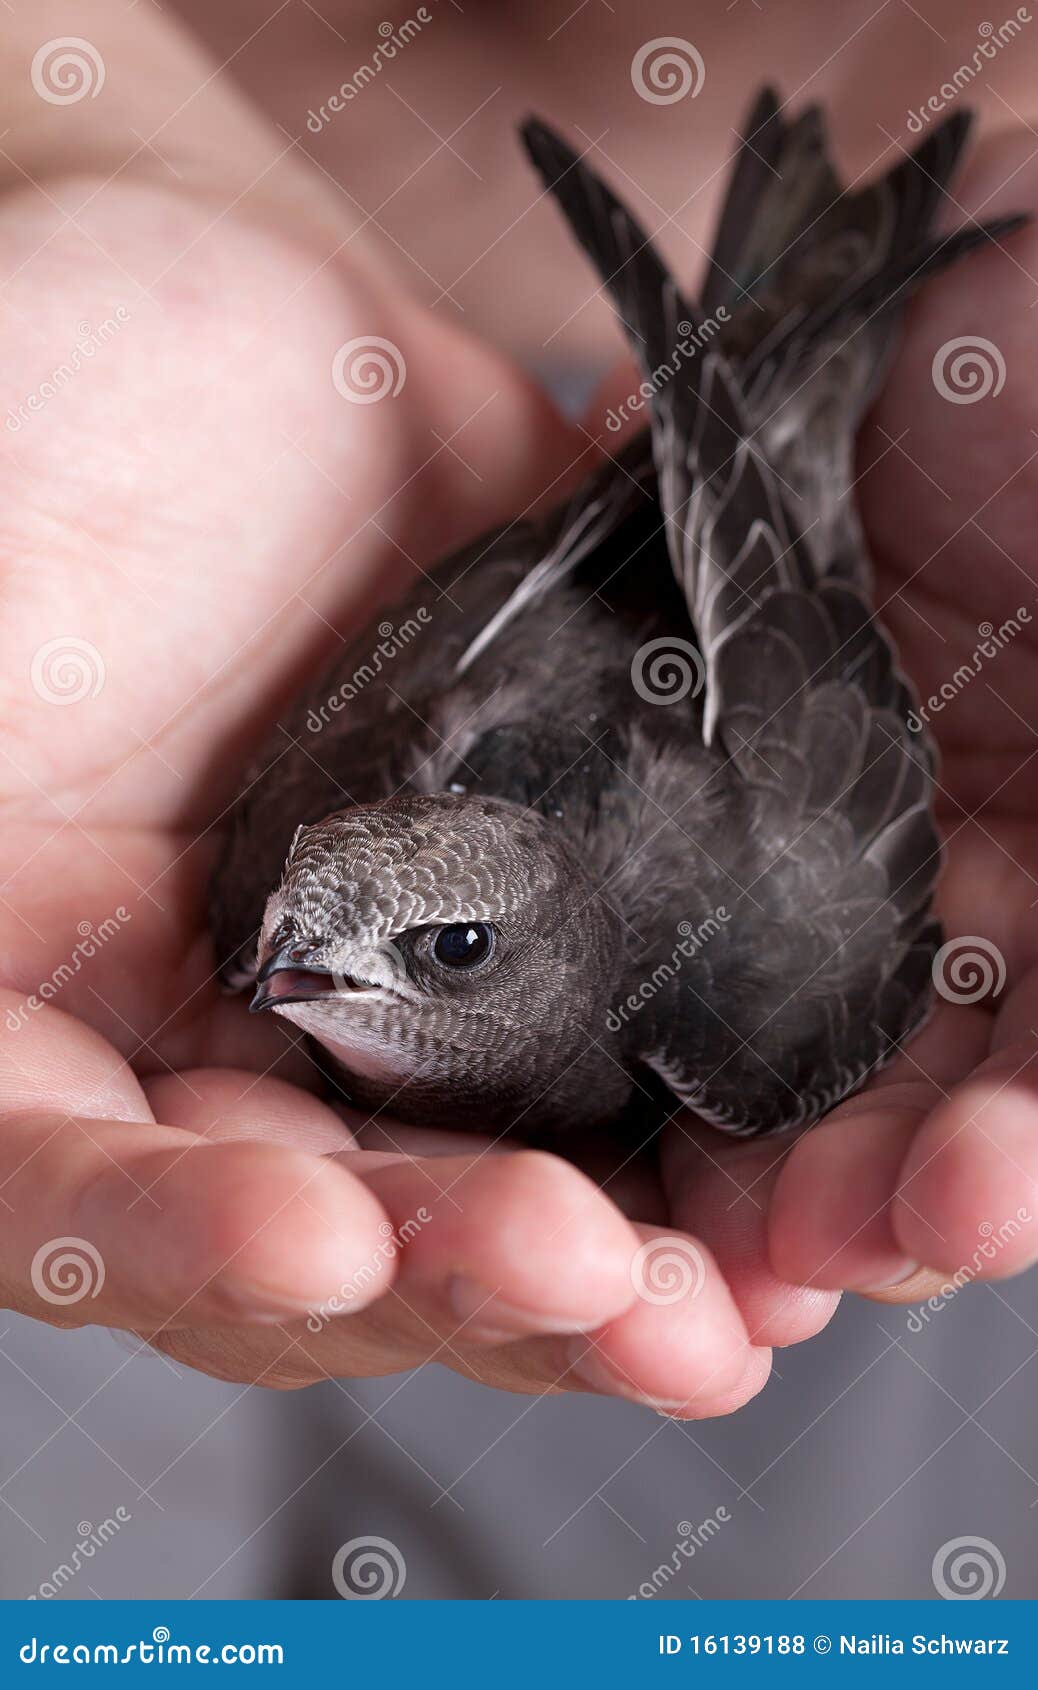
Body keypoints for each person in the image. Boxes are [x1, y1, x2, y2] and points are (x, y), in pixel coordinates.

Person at [1, 0, 1037, 1597]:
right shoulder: (287, 892)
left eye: (443, 955)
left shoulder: (751, 993)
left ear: (533, 953)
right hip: (576, 473)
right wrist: (60, 134)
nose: (282, 978)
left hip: (738, 529)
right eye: (301, 937)